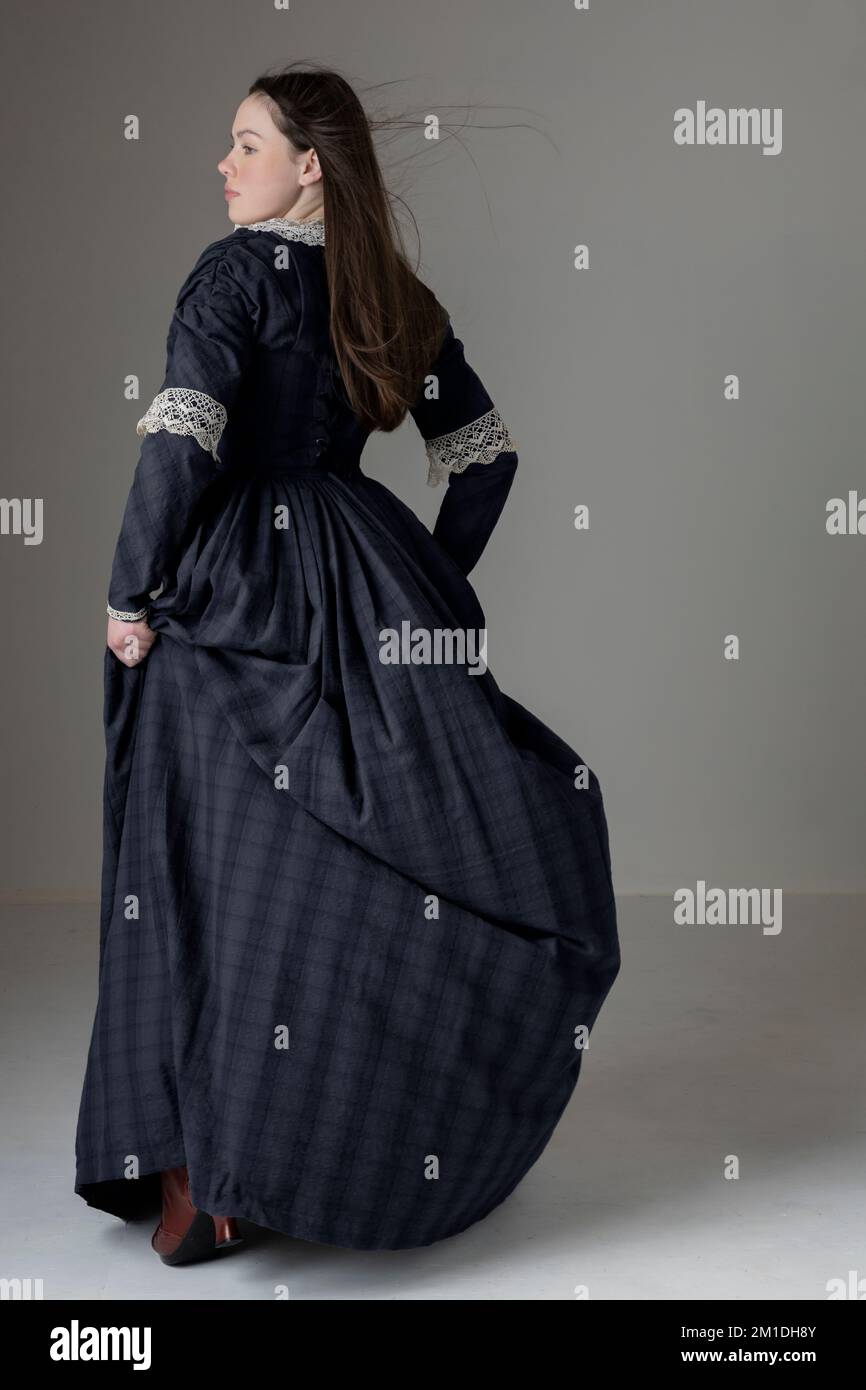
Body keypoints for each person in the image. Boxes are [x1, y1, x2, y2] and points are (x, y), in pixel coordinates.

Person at [74, 64, 621, 1266]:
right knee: (334, 892)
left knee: (206, 876)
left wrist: (129, 588)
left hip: (228, 594)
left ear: (308, 166)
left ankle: (200, 1171)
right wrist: (427, 581)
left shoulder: (230, 277)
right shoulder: (387, 293)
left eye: (247, 144)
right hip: (365, 576)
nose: (224, 165)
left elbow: (186, 438)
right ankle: (283, 1160)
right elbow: (481, 458)